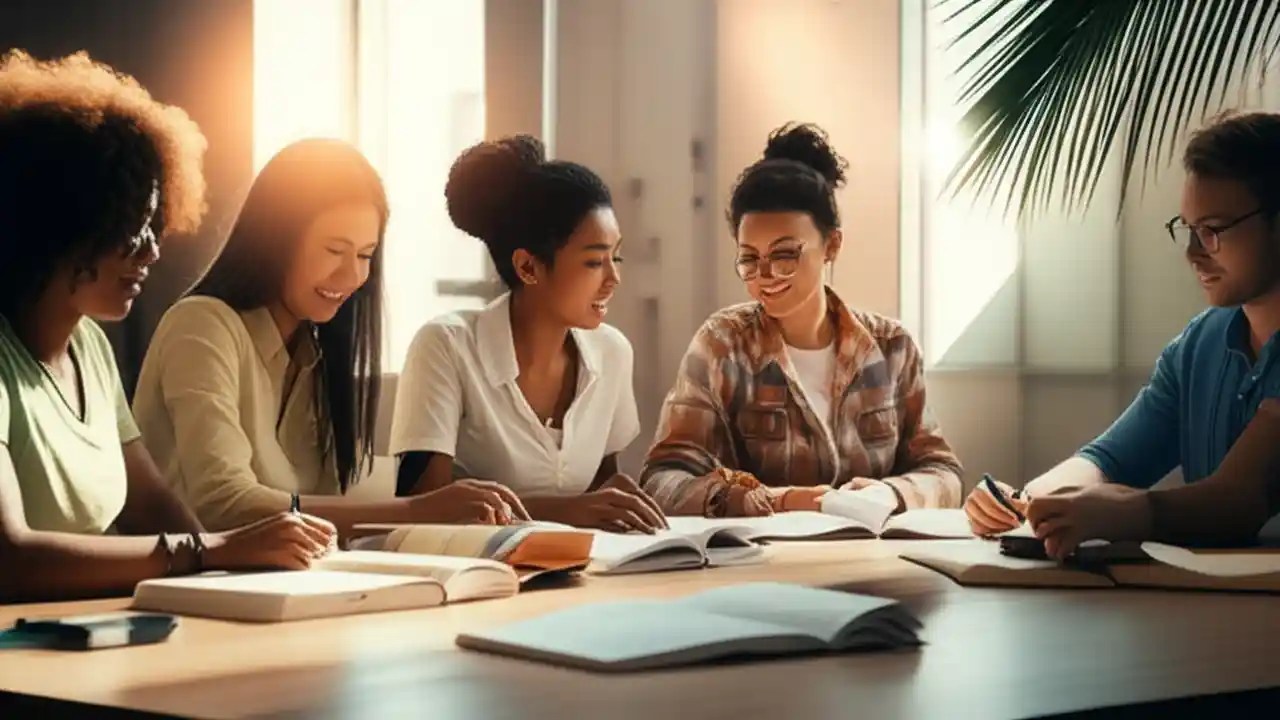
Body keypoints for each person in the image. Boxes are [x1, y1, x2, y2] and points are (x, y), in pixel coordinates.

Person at [0, 51, 334, 601]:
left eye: (155, 226)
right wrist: (214, 550)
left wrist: (233, 577)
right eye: (132, 229)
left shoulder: (89, 347)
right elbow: (10, 560)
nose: (152, 251)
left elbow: (150, 504)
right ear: (60, 225)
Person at [132, 139, 529, 535]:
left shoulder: (314, 353)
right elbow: (224, 502)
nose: (353, 276)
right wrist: (415, 510)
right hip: (182, 570)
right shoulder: (202, 325)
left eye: (365, 255)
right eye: (335, 250)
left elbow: (318, 506)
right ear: (274, 238)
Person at [965, 112, 1280, 557]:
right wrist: (1029, 501)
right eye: (1188, 230)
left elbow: (1237, 500)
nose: (1192, 253)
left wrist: (1127, 512)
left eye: (1212, 231)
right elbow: (1109, 460)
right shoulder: (1199, 346)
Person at [642, 123, 963, 517]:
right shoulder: (723, 345)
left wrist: (891, 494)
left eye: (784, 255)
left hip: (872, 550)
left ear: (832, 245)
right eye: (749, 258)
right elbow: (662, 480)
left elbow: (943, 472)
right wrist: (770, 501)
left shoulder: (892, 347)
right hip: (762, 552)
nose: (765, 275)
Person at [389, 135, 665, 533]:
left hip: (578, 564)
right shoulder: (446, 346)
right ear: (528, 268)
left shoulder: (612, 352)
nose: (613, 278)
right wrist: (564, 512)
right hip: (473, 567)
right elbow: (424, 510)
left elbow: (601, 494)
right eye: (594, 262)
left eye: (615, 257)